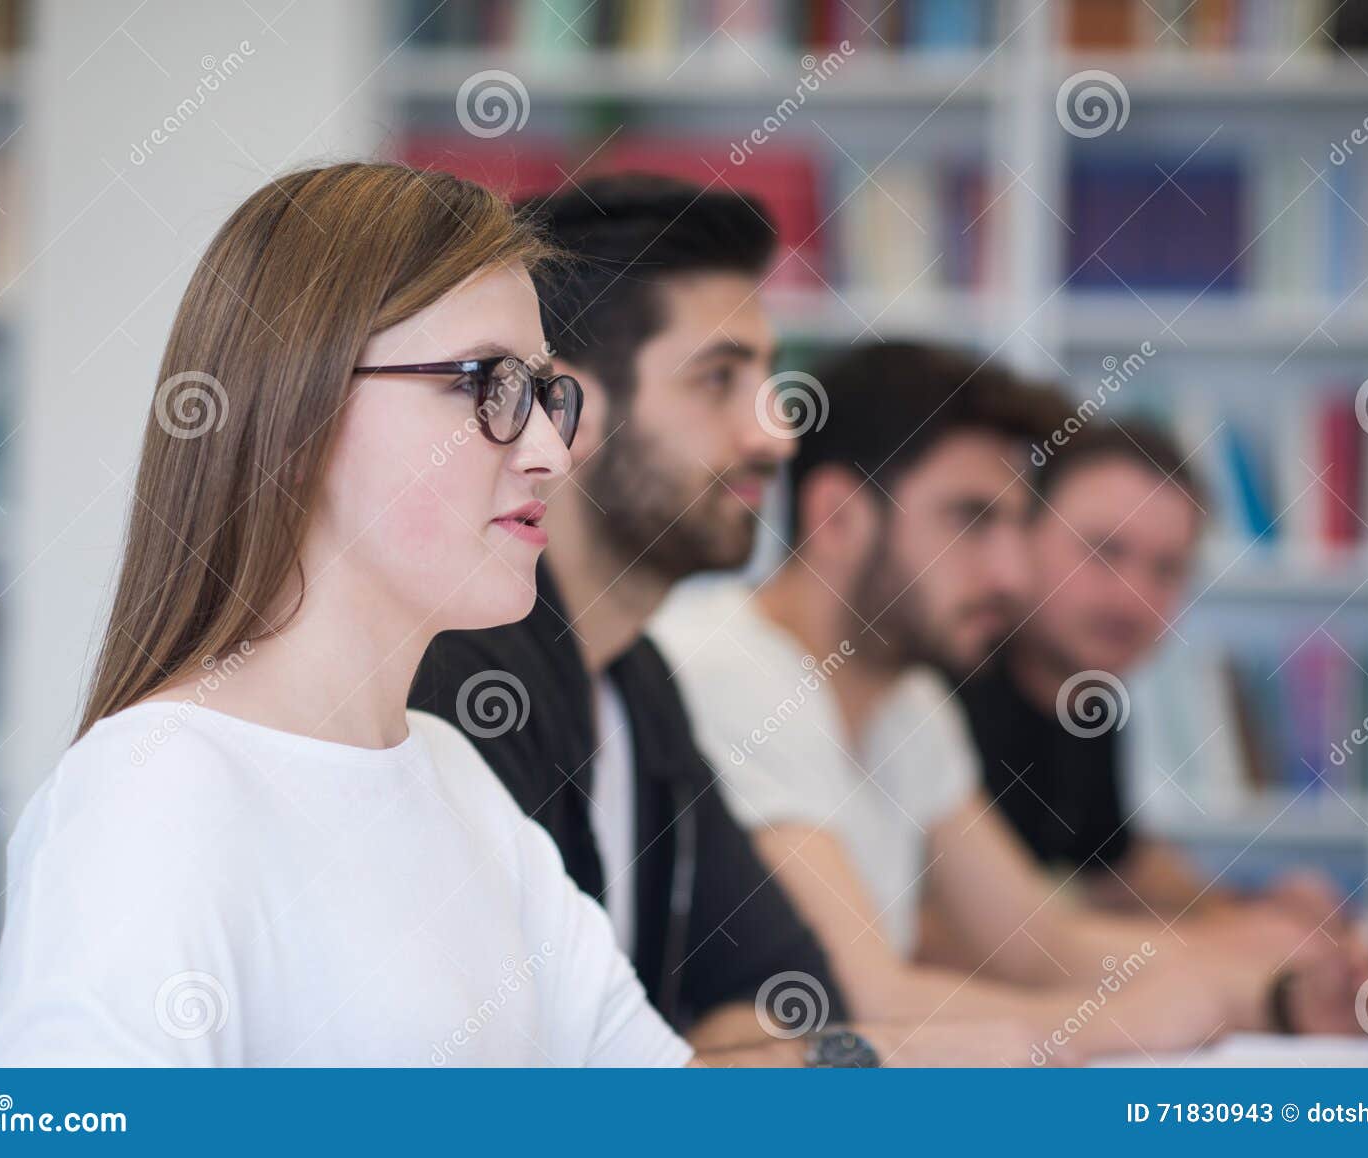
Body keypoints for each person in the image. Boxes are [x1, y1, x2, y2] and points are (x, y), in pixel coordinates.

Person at [0, 162, 692, 1066]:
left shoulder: (457, 778)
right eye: (486, 384)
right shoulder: (152, 795)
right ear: (299, 413)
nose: (552, 449)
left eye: (546, 393)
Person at [409, 176, 1034, 1066]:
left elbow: (787, 995)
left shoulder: (640, 682)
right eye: (719, 379)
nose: (776, 434)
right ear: (566, 409)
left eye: (768, 379)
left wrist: (755, 1057)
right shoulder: (462, 685)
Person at [653, 341, 1368, 1056]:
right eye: (971, 519)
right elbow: (860, 999)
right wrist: (1142, 1016)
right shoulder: (732, 671)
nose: (1012, 572)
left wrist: (1274, 988)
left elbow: (1037, 942)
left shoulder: (908, 699)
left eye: (1015, 524)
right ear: (838, 516)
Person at [959, 420, 1344, 925]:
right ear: (1021, 537)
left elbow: (1112, 868)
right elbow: (975, 929)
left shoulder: (1091, 700)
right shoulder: (947, 694)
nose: (1132, 598)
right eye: (1103, 551)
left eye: (1166, 569)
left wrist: (1258, 913)